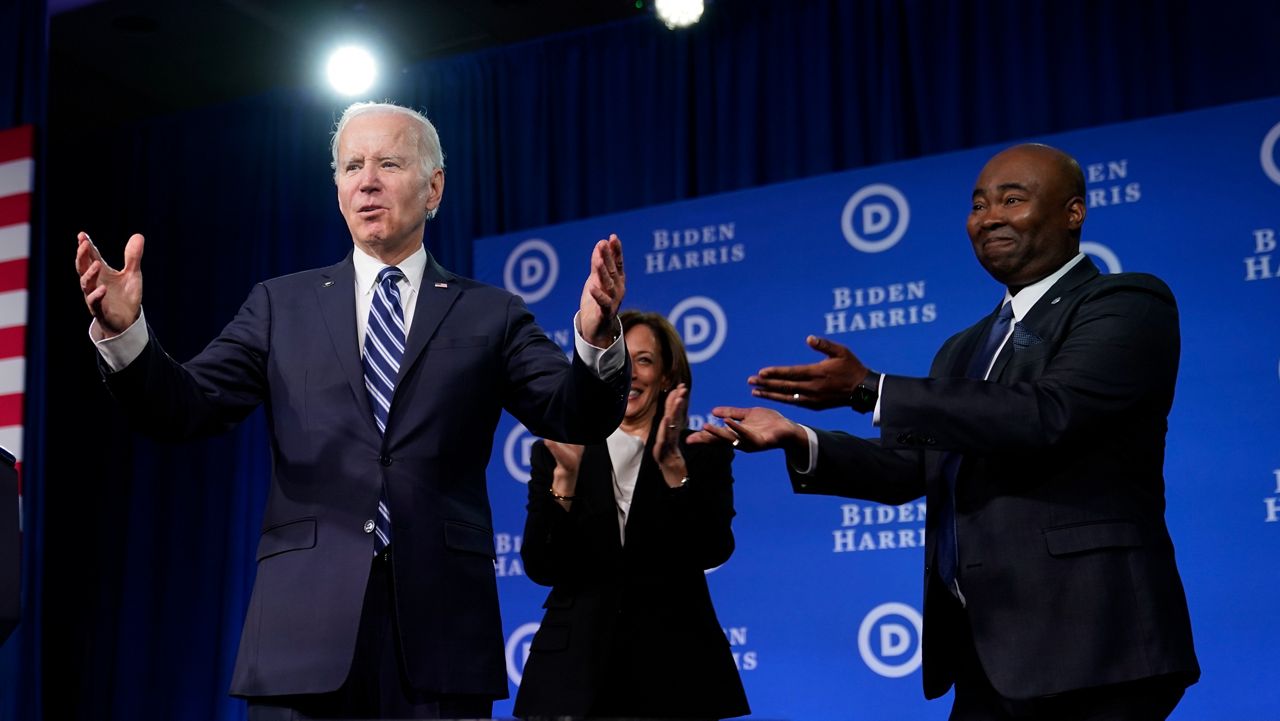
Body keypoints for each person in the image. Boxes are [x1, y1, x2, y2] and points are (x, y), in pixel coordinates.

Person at [74, 101, 631, 720]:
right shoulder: (279, 305)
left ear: (433, 187)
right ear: (338, 188)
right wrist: (127, 336)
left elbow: (573, 414)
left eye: (388, 164)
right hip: (301, 631)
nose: (366, 181)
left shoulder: (489, 313)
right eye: (351, 167)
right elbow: (185, 408)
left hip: (440, 632)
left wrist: (597, 338)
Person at [692, 144, 1200, 720]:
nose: (990, 218)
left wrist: (871, 390)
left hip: (1094, 645)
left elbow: (1048, 413)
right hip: (986, 651)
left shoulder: (1126, 303)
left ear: (1073, 212)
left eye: (1013, 199)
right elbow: (914, 466)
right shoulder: (963, 347)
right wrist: (799, 438)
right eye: (979, 205)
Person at [514, 310, 749, 720]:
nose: (632, 374)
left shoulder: (701, 449)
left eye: (644, 360)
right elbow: (541, 565)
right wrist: (565, 479)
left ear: (666, 375)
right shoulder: (560, 451)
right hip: (574, 675)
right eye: (622, 360)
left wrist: (675, 469)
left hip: (676, 668)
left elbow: (713, 548)